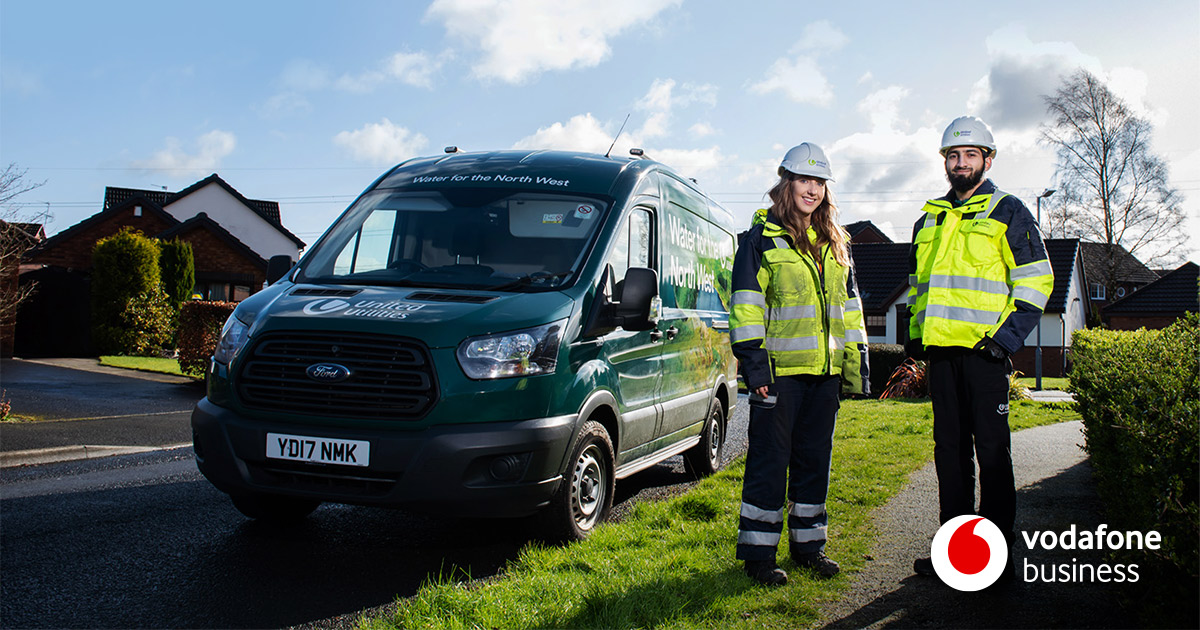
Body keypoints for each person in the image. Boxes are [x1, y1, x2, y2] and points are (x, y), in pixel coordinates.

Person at [906, 116, 1054, 579]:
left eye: (970, 154)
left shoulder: (1009, 211)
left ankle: (995, 557)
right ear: (945, 163)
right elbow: (919, 290)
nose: (961, 163)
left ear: (987, 160)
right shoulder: (928, 219)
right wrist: (916, 338)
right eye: (953, 155)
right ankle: (954, 555)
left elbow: (1036, 282)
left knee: (992, 455)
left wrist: (1004, 341)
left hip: (986, 356)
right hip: (942, 357)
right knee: (949, 457)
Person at [730, 143, 869, 586]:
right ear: (786, 184)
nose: (812, 190)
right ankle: (758, 556)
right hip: (779, 376)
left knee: (814, 462)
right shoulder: (760, 240)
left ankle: (810, 548)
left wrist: (855, 368)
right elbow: (746, 307)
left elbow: (851, 311)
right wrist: (755, 368)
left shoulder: (836, 242)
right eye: (804, 180)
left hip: (824, 376)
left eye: (819, 182)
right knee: (770, 463)